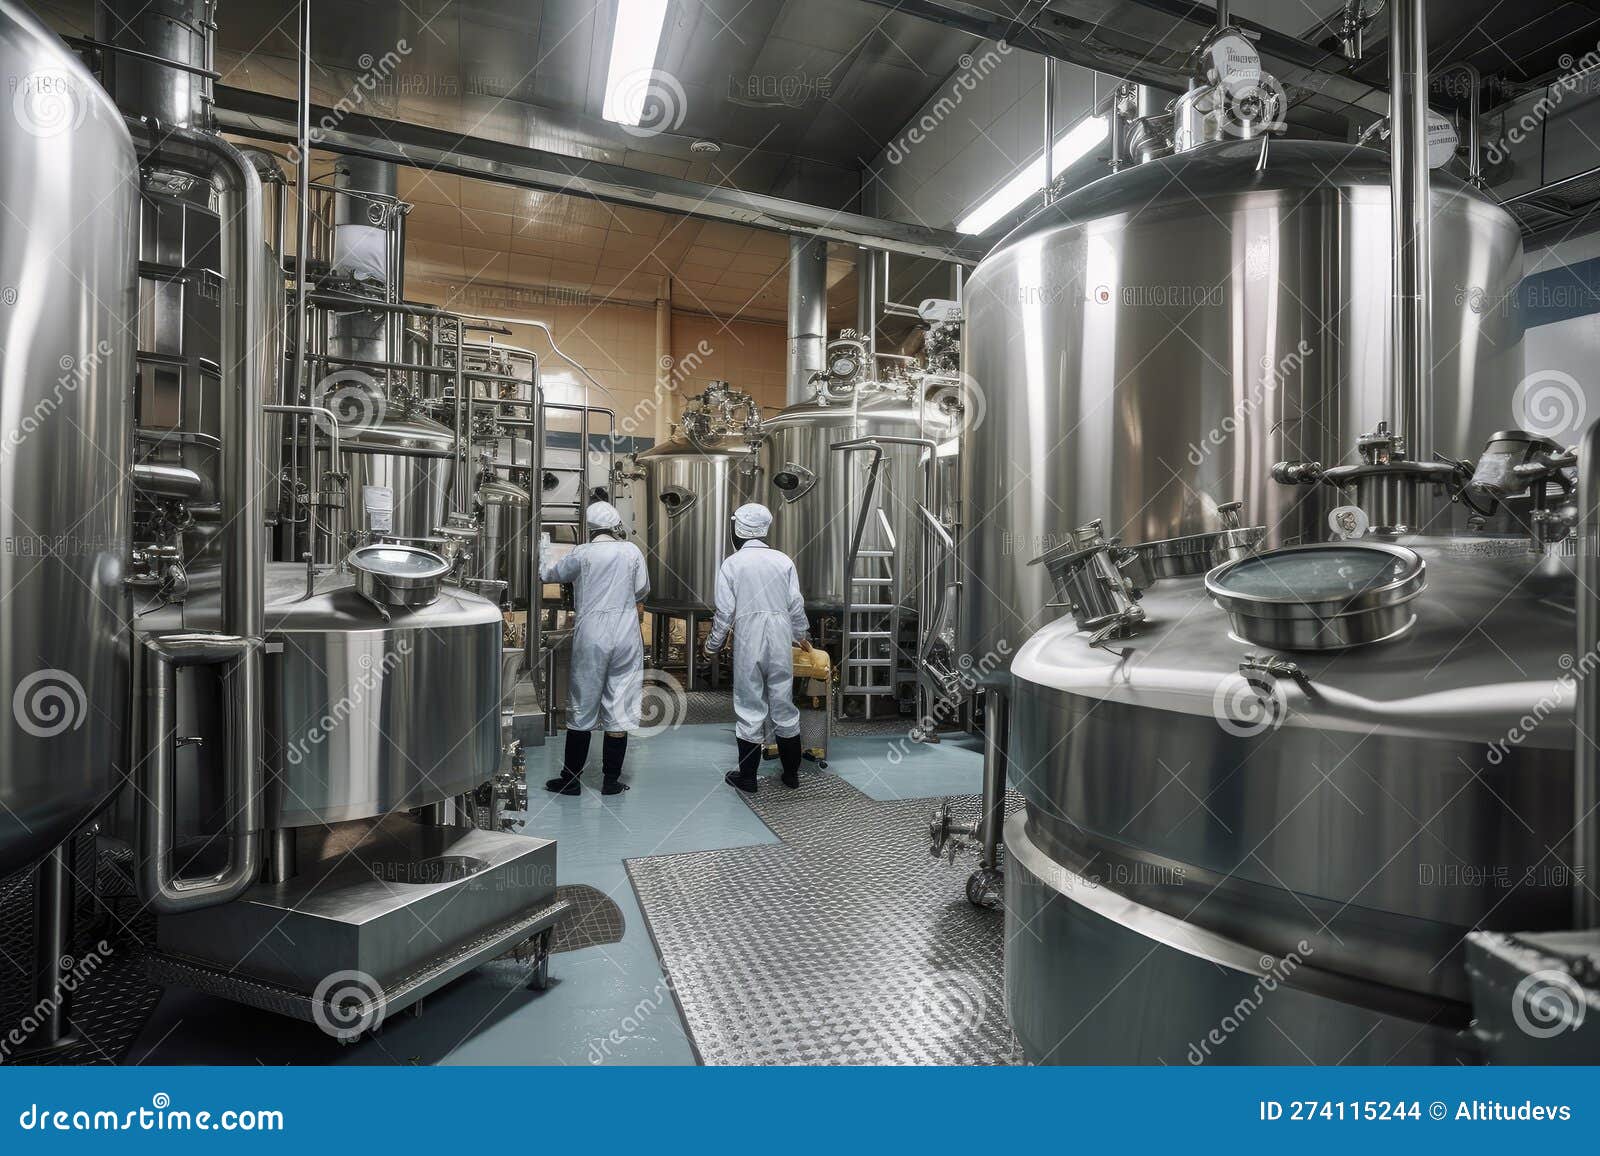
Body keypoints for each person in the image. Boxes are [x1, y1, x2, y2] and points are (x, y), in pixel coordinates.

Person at [539, 501, 648, 796]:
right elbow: (641, 589)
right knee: (620, 705)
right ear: (615, 526)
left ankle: (571, 780)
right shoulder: (631, 551)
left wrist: (543, 546)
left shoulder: (582, 553)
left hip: (592, 634)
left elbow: (548, 575)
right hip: (626, 633)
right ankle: (611, 781)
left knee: (582, 704)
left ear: (589, 527)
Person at [704, 502, 813, 793]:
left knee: (749, 705)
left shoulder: (732, 563)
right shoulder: (783, 560)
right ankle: (791, 775)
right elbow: (795, 605)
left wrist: (712, 645)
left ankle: (748, 778)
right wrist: (802, 634)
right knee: (783, 703)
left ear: (738, 528)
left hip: (748, 638)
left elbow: (724, 613)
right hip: (780, 636)